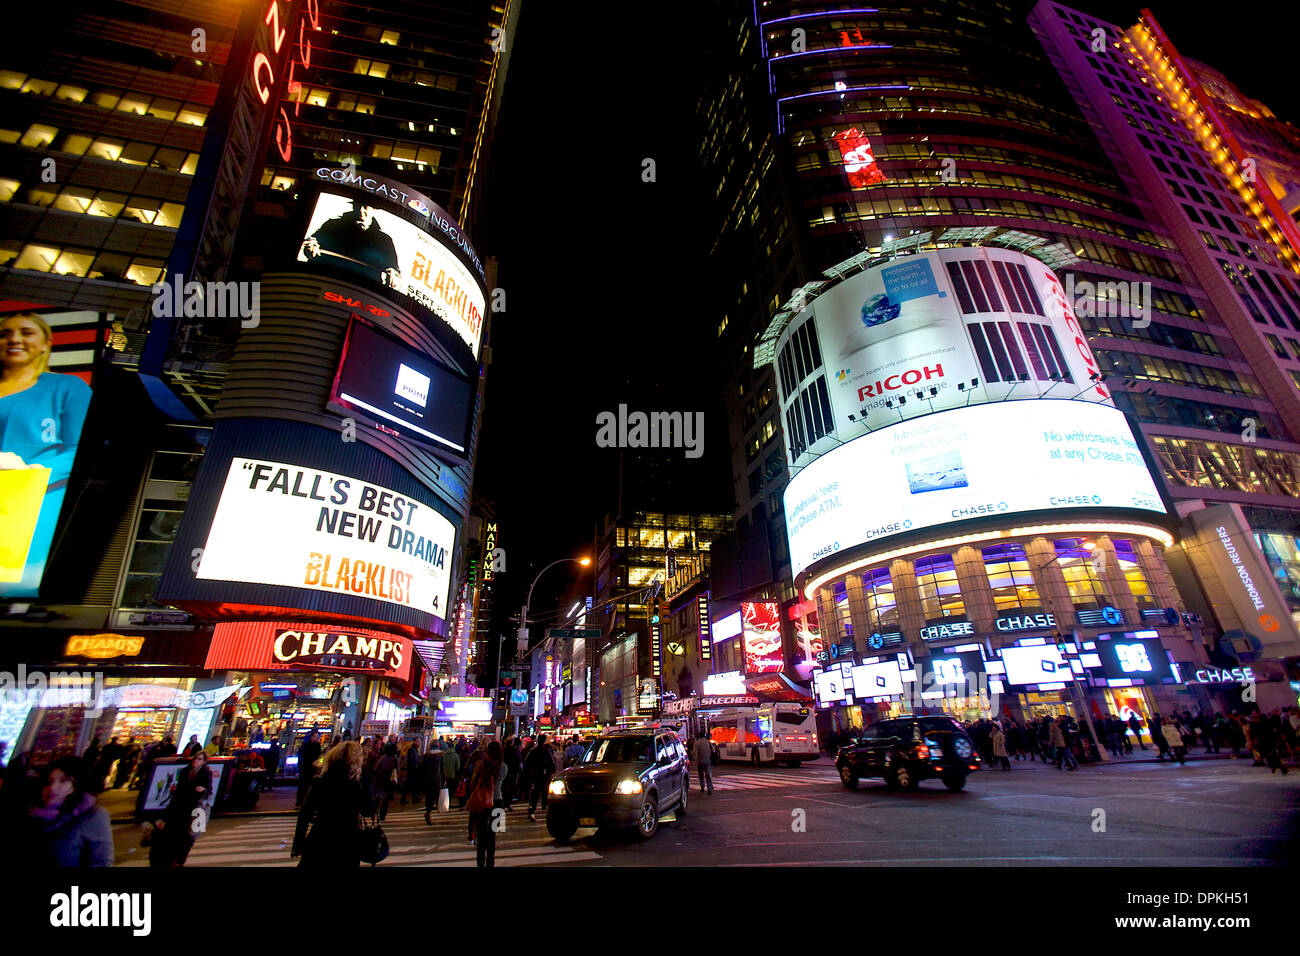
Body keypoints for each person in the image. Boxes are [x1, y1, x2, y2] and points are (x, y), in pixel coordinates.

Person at [0, 312, 94, 592]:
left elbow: (81, 448)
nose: (14, 339)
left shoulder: (68, 388)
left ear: (45, 343)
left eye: (26, 332)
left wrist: (32, 471)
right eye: (5, 333)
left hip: (37, 499)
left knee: (14, 584)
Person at [292, 741, 375, 867]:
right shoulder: (358, 783)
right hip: (347, 841)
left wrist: (298, 843)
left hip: (320, 837)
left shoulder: (322, 780)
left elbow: (305, 814)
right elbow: (369, 810)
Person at [21, 757, 113, 867]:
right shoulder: (31, 813)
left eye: (63, 781)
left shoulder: (92, 815)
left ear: (77, 785)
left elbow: (101, 862)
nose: (52, 787)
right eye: (49, 781)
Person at [300, 197, 401, 286]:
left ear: (373, 209)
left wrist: (393, 275)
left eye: (365, 206)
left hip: (362, 291)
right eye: (357, 205)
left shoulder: (385, 240)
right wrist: (311, 245)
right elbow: (311, 241)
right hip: (324, 280)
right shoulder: (332, 225)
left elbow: (395, 273)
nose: (361, 210)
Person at [148, 750, 212, 867]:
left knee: (191, 836)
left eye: (199, 759)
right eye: (195, 758)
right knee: (176, 837)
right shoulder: (185, 771)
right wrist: (164, 816)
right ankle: (172, 860)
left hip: (198, 810)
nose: (196, 761)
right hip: (180, 808)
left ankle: (179, 860)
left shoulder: (206, 774)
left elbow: (209, 792)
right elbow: (178, 794)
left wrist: (203, 790)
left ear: (204, 762)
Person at [467, 741, 506, 868]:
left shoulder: (482, 766)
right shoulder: (503, 766)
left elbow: (472, 785)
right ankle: (490, 863)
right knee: (493, 835)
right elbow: (502, 783)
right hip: (498, 803)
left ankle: (480, 864)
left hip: (482, 803)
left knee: (481, 834)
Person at [525, 733, 555, 821]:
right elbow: (551, 762)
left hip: (535, 773)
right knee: (545, 790)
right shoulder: (546, 750)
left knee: (536, 791)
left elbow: (527, 762)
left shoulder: (533, 750)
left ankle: (532, 808)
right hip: (544, 773)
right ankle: (544, 805)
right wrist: (550, 771)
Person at [296, 731, 321, 808]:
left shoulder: (317, 746)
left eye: (317, 737)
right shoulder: (306, 746)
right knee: (303, 785)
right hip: (305, 768)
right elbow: (302, 756)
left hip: (312, 768)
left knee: (309, 785)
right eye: (315, 737)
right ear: (311, 737)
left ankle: (306, 802)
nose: (316, 738)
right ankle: (300, 801)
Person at [374, 743, 398, 821]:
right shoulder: (393, 759)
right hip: (388, 782)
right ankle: (382, 816)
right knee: (385, 800)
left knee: (378, 798)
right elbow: (395, 772)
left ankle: (375, 814)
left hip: (380, 781)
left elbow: (376, 769)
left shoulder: (382, 758)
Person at [423, 744, 445, 824]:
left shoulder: (426, 756)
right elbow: (442, 770)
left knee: (428, 797)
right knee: (434, 797)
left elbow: (423, 770)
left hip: (427, 780)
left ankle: (428, 812)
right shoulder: (440, 756)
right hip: (437, 780)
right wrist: (444, 780)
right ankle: (428, 813)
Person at [501, 735, 522, 810]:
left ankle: (504, 802)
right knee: (510, 786)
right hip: (512, 770)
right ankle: (507, 802)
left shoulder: (503, 749)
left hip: (505, 769)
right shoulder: (513, 750)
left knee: (504, 786)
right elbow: (517, 760)